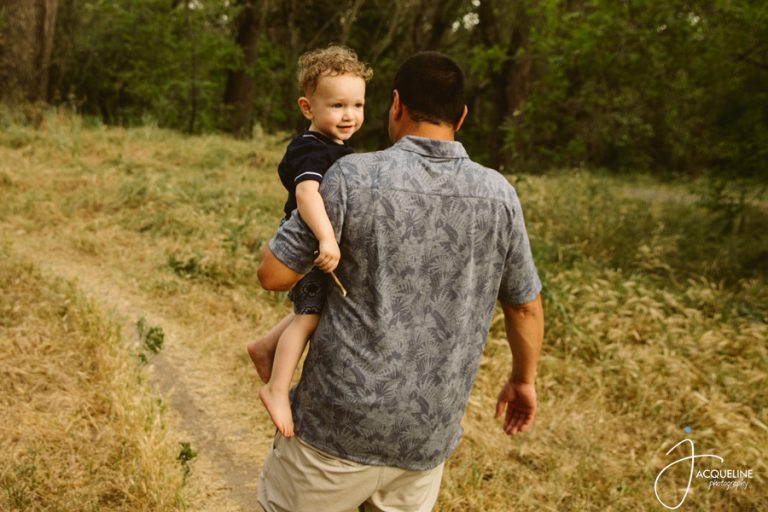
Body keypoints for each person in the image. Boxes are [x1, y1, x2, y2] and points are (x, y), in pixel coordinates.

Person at [255, 51, 544, 512]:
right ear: (462, 116)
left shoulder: (351, 176)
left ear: (395, 105)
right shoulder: (500, 196)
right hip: (424, 437)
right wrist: (523, 380)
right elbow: (525, 306)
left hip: (334, 427)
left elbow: (273, 274)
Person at [247, 45, 373, 438]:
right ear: (308, 108)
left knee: (314, 303)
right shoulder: (310, 148)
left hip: (322, 242)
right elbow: (307, 196)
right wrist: (326, 239)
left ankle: (265, 347)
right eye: (337, 105)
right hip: (312, 241)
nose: (349, 115)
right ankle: (277, 388)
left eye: (357, 104)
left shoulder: (336, 147)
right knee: (309, 316)